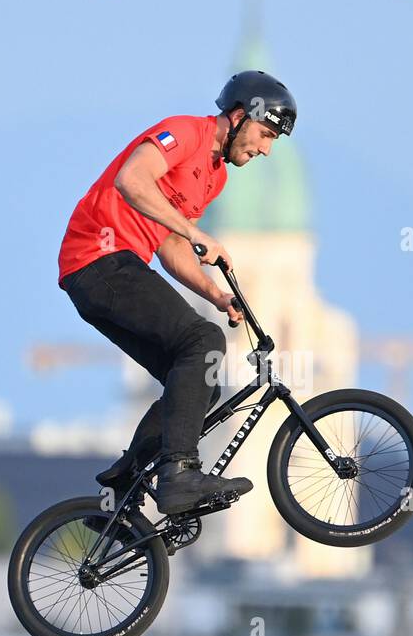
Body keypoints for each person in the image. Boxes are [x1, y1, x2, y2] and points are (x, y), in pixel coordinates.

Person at [56, 71, 298, 515]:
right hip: (98, 257)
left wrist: (214, 292)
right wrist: (194, 231)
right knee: (203, 341)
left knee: (199, 381)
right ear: (240, 117)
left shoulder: (215, 177)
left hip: (112, 270)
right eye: (265, 134)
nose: (266, 149)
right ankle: (180, 474)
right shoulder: (186, 132)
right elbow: (132, 179)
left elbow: (169, 244)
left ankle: (125, 481)